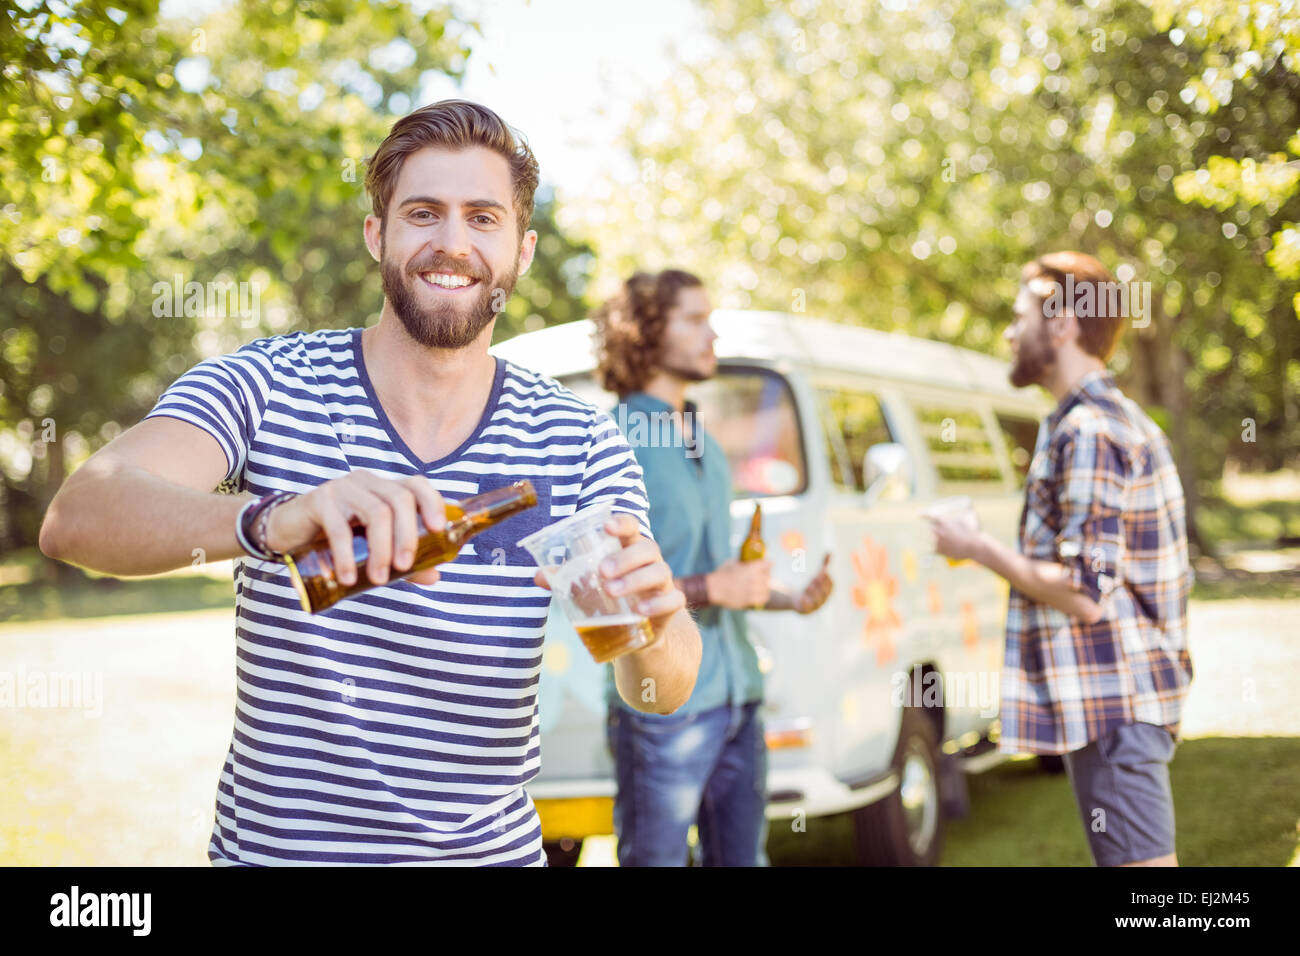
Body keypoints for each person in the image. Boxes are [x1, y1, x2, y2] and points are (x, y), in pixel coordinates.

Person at [38, 100, 701, 867]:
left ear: (522, 250)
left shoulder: (580, 438)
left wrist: (651, 622)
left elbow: (667, 687)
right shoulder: (266, 384)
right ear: (377, 235)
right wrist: (273, 521)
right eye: (424, 213)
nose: (452, 244)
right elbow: (79, 515)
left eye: (483, 218)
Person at [928, 251, 1194, 867]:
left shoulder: (1091, 432)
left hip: (1116, 704)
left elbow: (1084, 591)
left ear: (1064, 322)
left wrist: (976, 549)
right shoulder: (1079, 423)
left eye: (1020, 314)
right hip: (1109, 704)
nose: (1009, 331)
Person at [591, 269, 834, 866]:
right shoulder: (612, 438)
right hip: (662, 706)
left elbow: (716, 573)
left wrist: (785, 596)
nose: (712, 333)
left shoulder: (699, 434)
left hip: (738, 697)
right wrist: (712, 587)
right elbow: (601, 586)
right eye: (695, 320)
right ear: (646, 332)